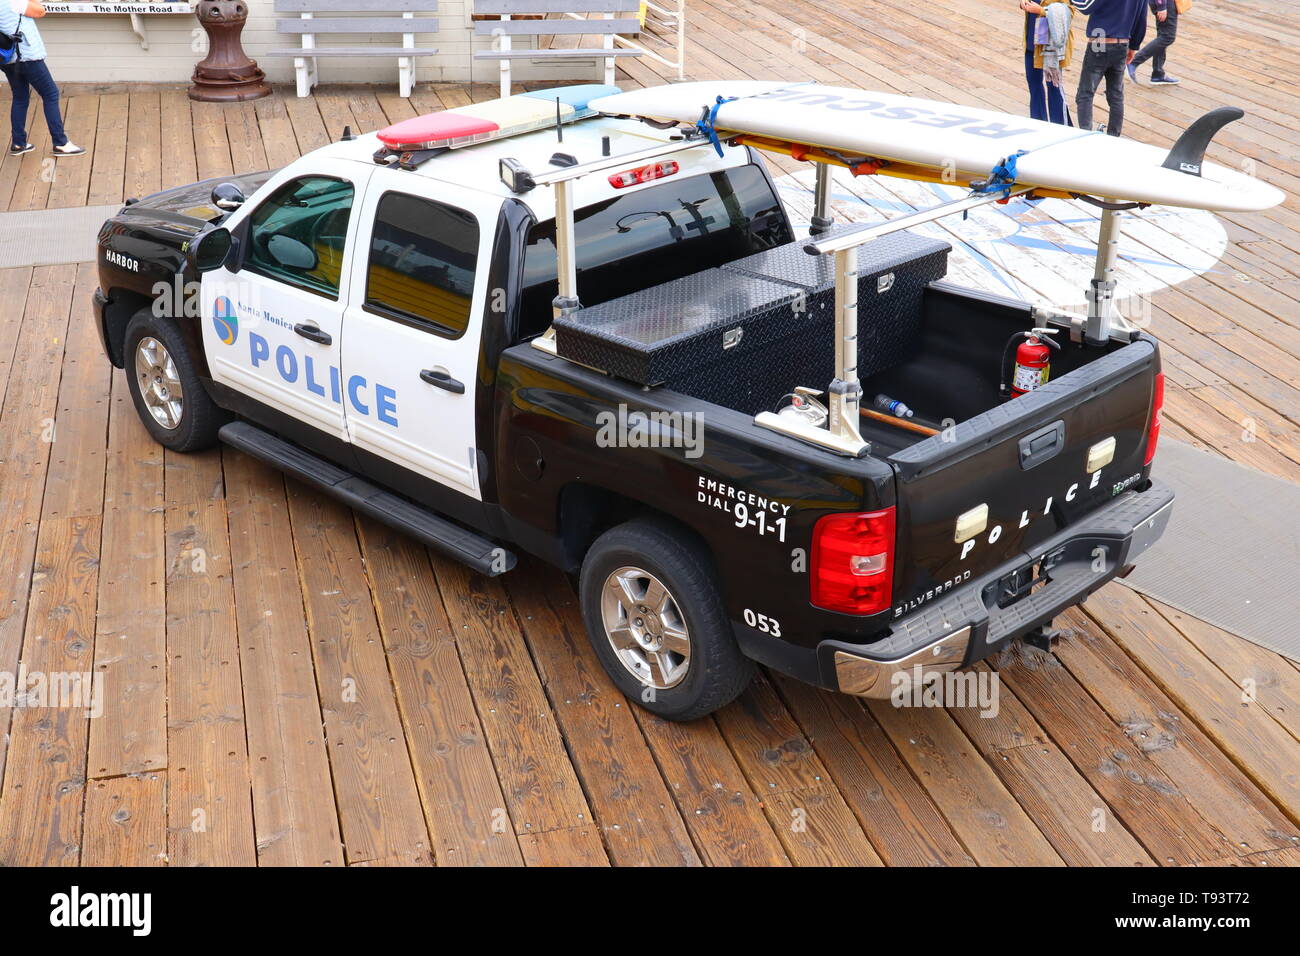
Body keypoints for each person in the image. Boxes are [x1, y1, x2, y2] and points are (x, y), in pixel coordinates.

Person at [0, 0, 84, 157]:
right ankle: (60, 143)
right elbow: (40, 11)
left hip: (8, 59)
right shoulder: (13, 2)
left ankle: (18, 143)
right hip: (27, 56)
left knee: (20, 97)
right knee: (50, 94)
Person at [1071, 0, 1149, 135]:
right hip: (1123, 42)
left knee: (1085, 93)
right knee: (1116, 96)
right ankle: (1113, 137)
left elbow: (1086, 6)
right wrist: (1134, 46)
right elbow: (1142, 18)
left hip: (1099, 39)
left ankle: (1085, 135)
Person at [1021, 0, 1075, 125]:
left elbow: (1069, 12)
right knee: (1034, 85)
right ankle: (1038, 124)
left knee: (1054, 87)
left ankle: (1061, 127)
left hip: (1051, 47)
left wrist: (1041, 11)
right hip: (1031, 42)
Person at [1128, 0, 1180, 85]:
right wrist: (1162, 6)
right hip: (1165, 3)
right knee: (1167, 37)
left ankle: (1158, 73)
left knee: (1163, 35)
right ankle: (1134, 61)